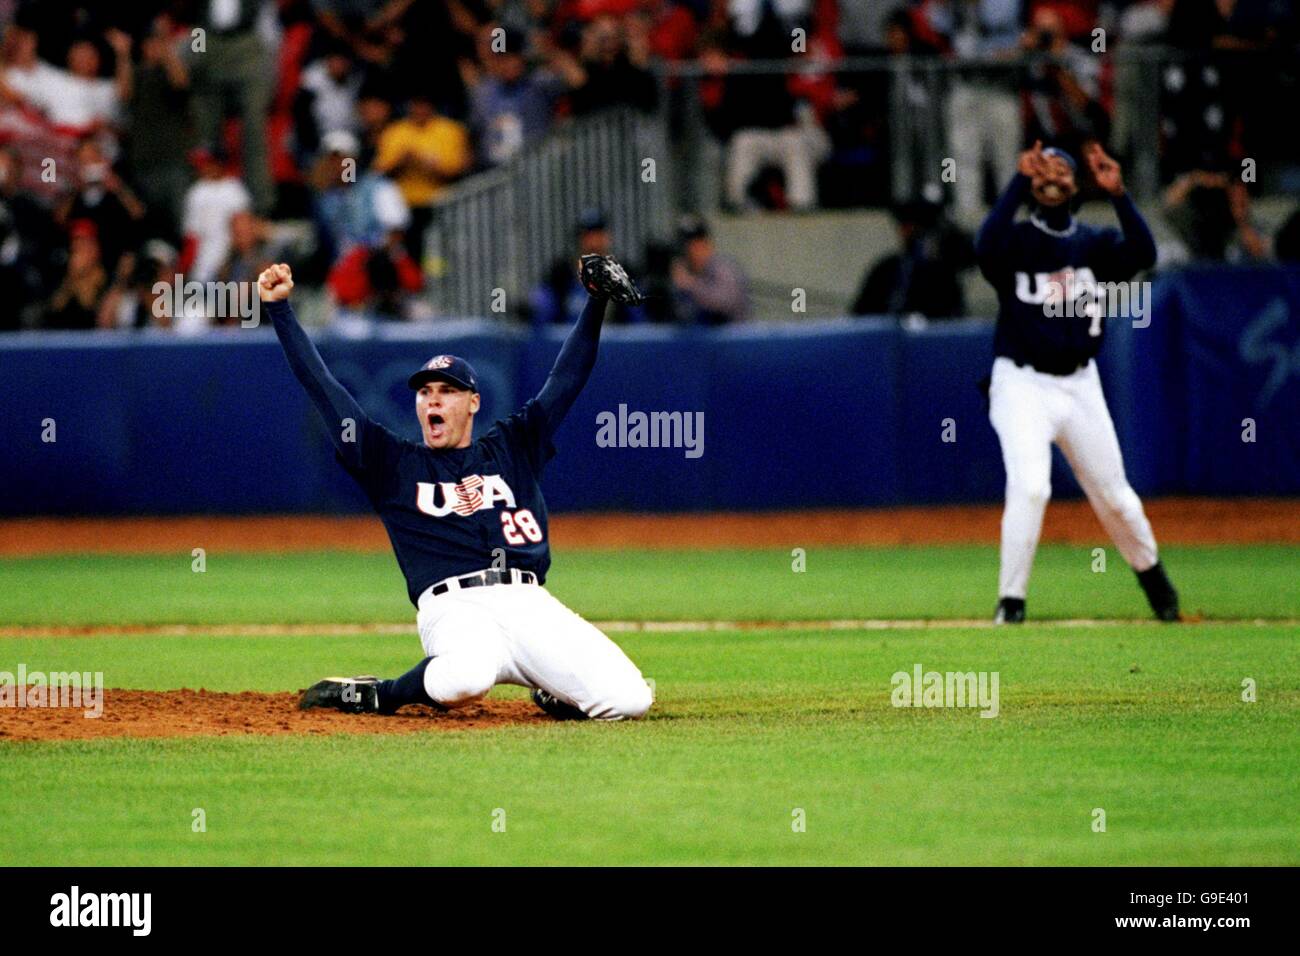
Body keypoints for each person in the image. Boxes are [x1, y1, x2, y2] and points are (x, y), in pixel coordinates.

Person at [258, 260, 652, 721]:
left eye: (447, 390)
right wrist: (281, 311)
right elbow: (324, 388)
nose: (434, 400)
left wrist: (595, 301)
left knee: (631, 700)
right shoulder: (393, 463)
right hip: (454, 610)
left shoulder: (513, 445)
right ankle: (377, 694)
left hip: (528, 603)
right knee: (466, 677)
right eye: (425, 393)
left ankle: (554, 691)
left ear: (473, 402)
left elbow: (565, 380)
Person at [975, 140, 1179, 623]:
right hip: (1021, 383)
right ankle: (1012, 603)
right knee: (1031, 486)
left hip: (1081, 385)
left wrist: (1119, 194)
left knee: (1116, 498)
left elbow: (1143, 254)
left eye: (1061, 170)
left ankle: (1156, 583)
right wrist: (1016, 182)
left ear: (1074, 185)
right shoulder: (1018, 240)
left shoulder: (1093, 243)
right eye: (1042, 170)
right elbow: (986, 249)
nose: (1051, 176)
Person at [671, 215, 751, 324]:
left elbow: (725, 301)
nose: (691, 250)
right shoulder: (684, 271)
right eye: (687, 245)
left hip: (733, 337)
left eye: (697, 243)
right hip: (699, 338)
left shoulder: (723, 268)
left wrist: (691, 284)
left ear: (707, 244)